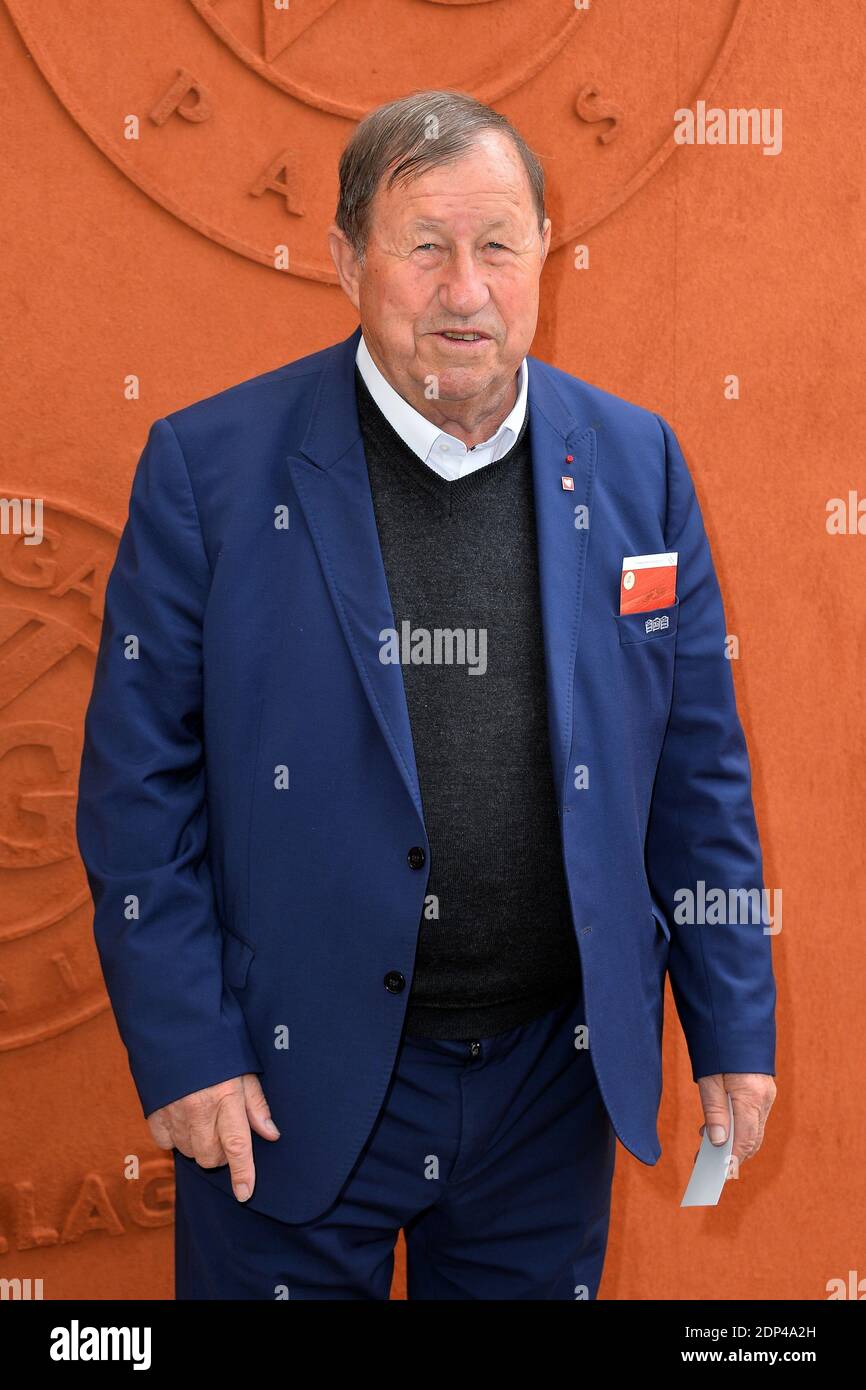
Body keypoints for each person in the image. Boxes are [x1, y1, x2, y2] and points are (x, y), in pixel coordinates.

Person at [76, 89, 777, 1301]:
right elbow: (138, 793)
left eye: (498, 244)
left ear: (544, 250)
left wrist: (729, 1025)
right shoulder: (212, 470)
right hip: (286, 1085)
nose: (467, 289)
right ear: (348, 257)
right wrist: (187, 1048)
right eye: (424, 246)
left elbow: (693, 771)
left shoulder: (637, 461)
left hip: (548, 1086)